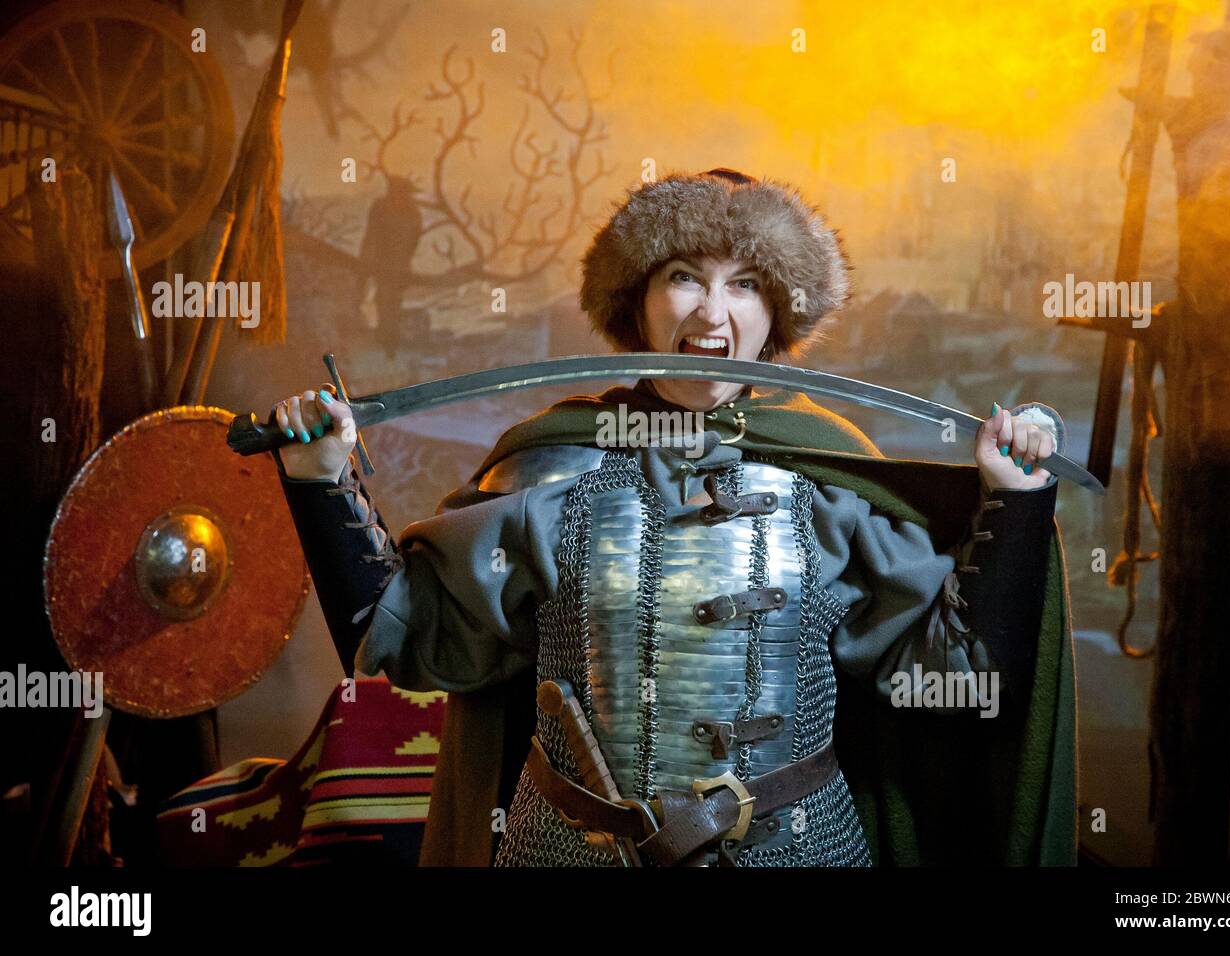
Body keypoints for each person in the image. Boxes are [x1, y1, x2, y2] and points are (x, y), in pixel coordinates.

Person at [270, 168, 1077, 867]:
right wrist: (318, 480)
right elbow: (393, 636)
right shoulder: (552, 469)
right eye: (685, 276)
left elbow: (961, 678)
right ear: (641, 301)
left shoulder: (831, 484)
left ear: (779, 315)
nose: (713, 313)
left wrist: (1015, 498)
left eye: (747, 283)